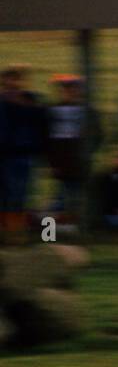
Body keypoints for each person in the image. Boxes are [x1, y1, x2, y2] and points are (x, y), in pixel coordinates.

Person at [45, 74, 100, 228]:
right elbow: (47, 136)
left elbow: (98, 135)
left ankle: (78, 227)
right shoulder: (52, 110)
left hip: (80, 162)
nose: (69, 92)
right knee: (61, 195)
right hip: (60, 162)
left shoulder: (88, 111)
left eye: (73, 88)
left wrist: (87, 153)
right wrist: (51, 161)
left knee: (78, 196)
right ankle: (58, 228)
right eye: (65, 88)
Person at [0, 65, 48, 239]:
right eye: (9, 79)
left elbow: (41, 124)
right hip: (8, 155)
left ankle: (16, 231)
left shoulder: (31, 100)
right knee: (8, 195)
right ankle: (9, 231)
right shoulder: (4, 102)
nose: (13, 83)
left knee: (20, 194)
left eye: (16, 79)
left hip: (23, 154)